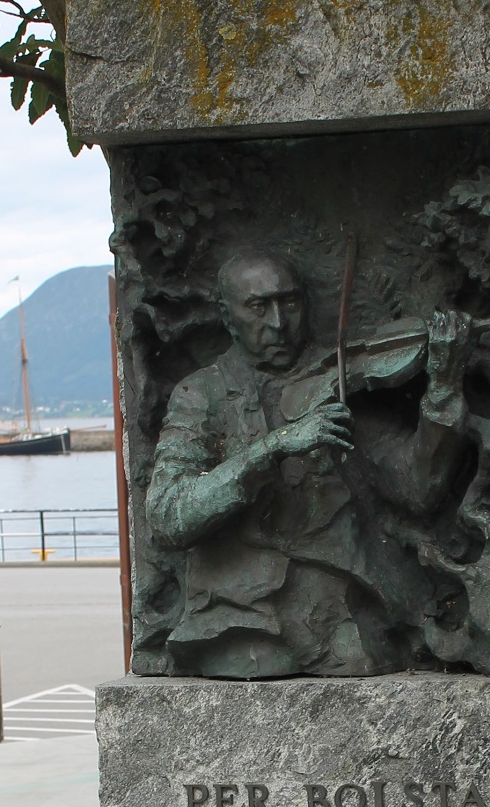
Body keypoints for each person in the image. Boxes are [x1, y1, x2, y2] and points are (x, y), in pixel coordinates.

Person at [145, 249, 468, 678]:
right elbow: (167, 516)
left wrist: (442, 391)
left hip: (343, 614)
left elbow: (416, 489)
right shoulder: (201, 396)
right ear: (226, 315)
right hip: (238, 618)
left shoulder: (335, 378)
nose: (279, 324)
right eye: (259, 307)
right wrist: (272, 448)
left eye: (290, 303)